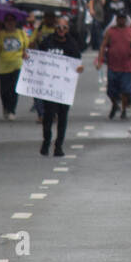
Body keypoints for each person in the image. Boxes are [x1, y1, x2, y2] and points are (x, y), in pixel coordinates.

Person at [32, 15, 83, 156]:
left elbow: (77, 62)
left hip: (63, 88)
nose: (61, 30)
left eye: (64, 27)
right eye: (59, 27)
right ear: (55, 28)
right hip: (49, 87)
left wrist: (79, 68)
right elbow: (37, 57)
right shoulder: (47, 42)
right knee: (48, 116)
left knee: (62, 117)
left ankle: (59, 145)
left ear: (68, 29)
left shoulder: (72, 44)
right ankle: (46, 141)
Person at [0, 12, 28, 120]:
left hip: (17, 64)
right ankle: (6, 107)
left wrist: (25, 53)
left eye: (12, 20)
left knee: (14, 89)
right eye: (7, 20)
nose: (10, 23)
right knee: (4, 90)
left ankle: (12, 109)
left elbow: (26, 47)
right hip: (4, 66)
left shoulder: (21, 33)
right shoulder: (1, 34)